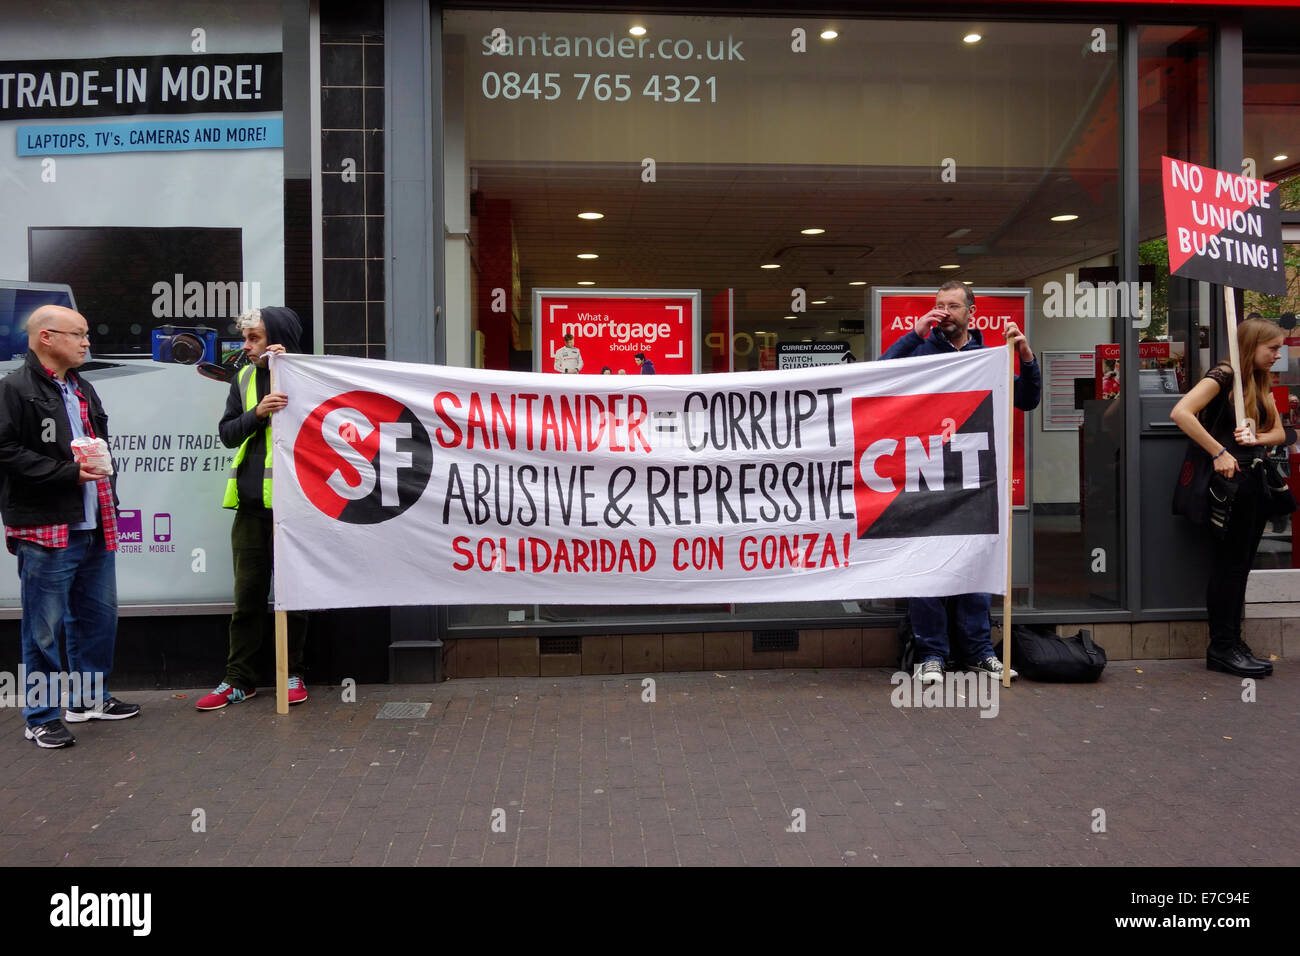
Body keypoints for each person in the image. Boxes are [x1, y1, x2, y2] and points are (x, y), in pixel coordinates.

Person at [880, 280, 1042, 684]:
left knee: (973, 564)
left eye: (953, 305)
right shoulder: (920, 350)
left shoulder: (989, 357)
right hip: (926, 473)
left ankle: (979, 651)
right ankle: (931, 653)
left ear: (972, 312)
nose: (945, 312)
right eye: (939, 305)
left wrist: (1024, 356)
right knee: (925, 565)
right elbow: (884, 372)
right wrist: (916, 333)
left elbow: (1027, 399)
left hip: (973, 475)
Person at [0, 305, 140, 748]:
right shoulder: (13, 389)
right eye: (77, 334)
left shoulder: (82, 387)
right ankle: (40, 715)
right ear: (46, 337)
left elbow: (98, 446)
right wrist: (65, 475)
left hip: (95, 522)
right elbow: (3, 450)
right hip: (46, 528)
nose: (86, 342)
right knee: (42, 630)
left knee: (97, 619)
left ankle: (87, 700)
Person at [196, 307, 309, 710]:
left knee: (293, 598)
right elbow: (227, 433)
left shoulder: (309, 375)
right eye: (246, 338)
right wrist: (257, 412)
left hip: (295, 508)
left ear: (277, 336)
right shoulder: (243, 377)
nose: (246, 347)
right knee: (247, 598)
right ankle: (238, 679)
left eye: (255, 338)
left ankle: (292, 673)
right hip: (251, 508)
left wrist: (291, 367)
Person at [1170, 318, 1289, 678]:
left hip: (1253, 484)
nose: (1277, 355)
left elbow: (1280, 433)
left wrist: (1256, 440)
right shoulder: (1224, 374)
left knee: (1239, 568)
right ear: (1252, 346)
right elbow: (1181, 412)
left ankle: (1231, 642)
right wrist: (1219, 451)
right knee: (1229, 568)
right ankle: (1222, 646)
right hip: (1228, 488)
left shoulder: (1258, 380)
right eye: (1272, 348)